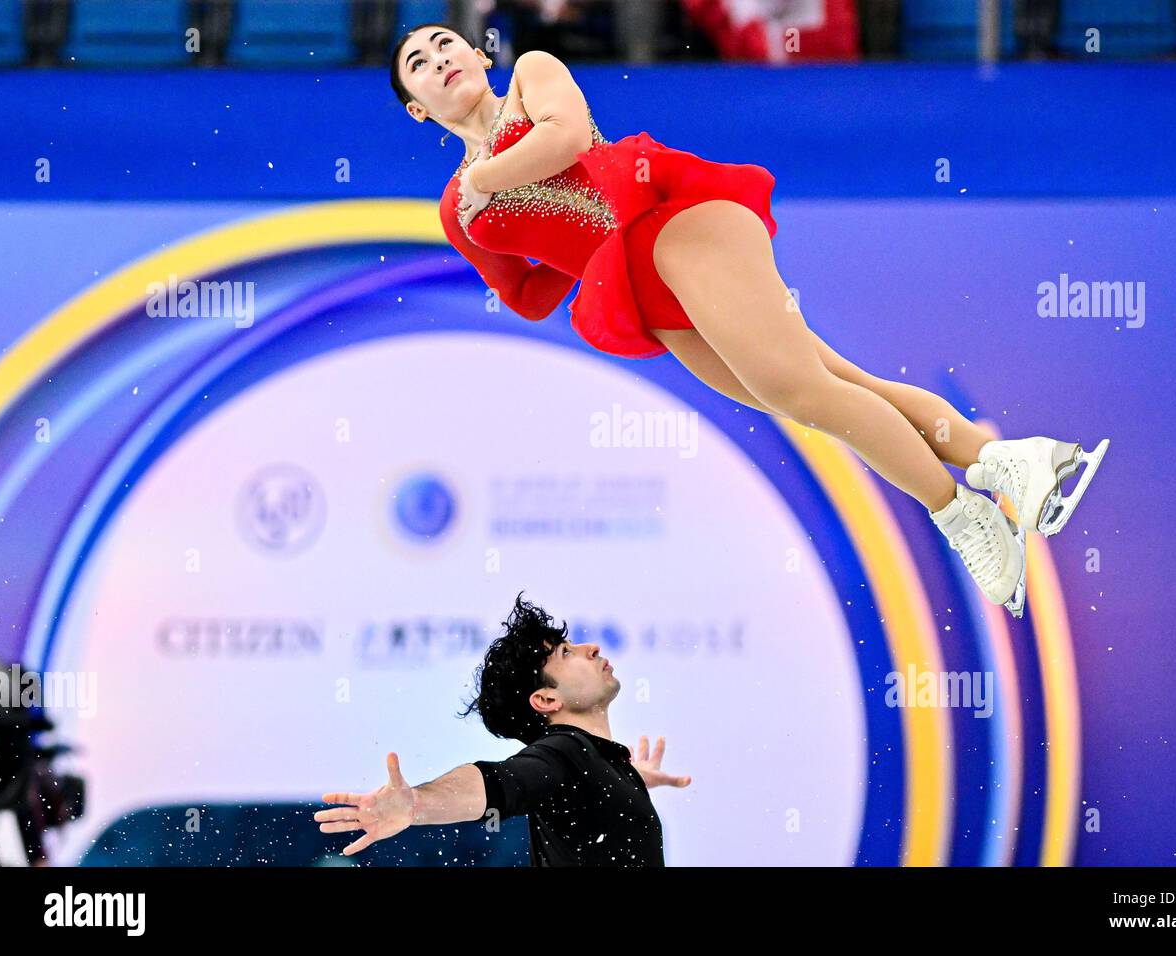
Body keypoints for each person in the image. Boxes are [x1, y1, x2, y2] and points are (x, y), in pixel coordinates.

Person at [387, 23, 1109, 617]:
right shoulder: (458, 214)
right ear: (417, 109)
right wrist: (564, 244)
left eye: (445, 43)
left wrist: (485, 178)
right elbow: (528, 294)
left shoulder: (530, 76)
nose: (438, 60)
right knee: (828, 384)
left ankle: (965, 510)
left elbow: (569, 137)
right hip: (642, 291)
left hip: (673, 223)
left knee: (803, 392)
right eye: (417, 63)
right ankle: (1011, 462)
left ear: (479, 53)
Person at [315, 594, 689, 866]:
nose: (590, 648)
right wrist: (417, 804)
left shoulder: (590, 763)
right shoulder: (565, 755)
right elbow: (499, 782)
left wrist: (623, 777)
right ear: (545, 700)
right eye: (566, 653)